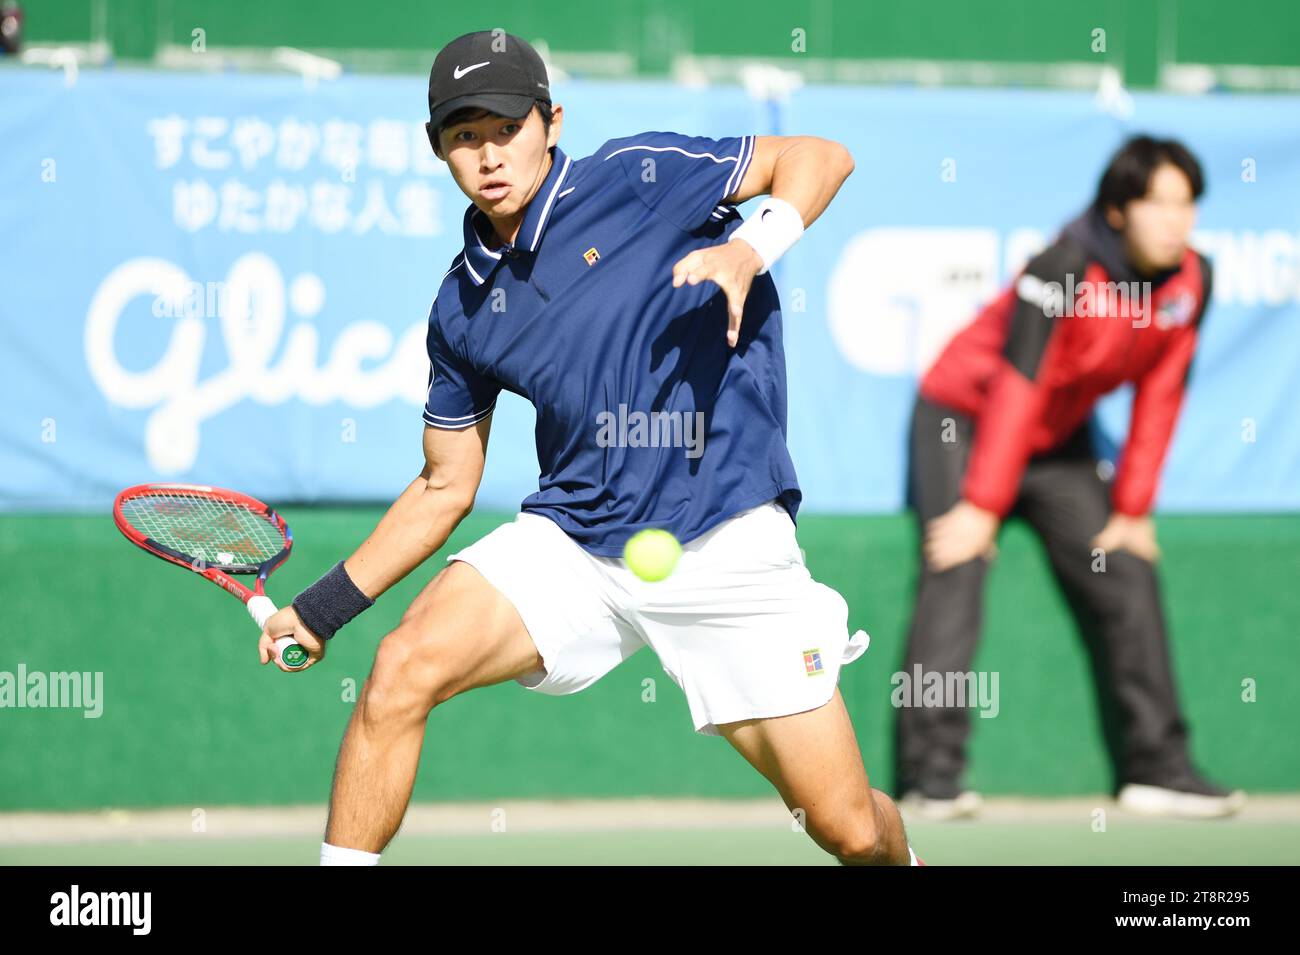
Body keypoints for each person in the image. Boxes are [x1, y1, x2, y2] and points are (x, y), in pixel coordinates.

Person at [261, 30, 924, 866]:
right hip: (575, 540)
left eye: (505, 127)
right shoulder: (461, 309)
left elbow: (821, 157)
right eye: (463, 136)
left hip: (724, 533)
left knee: (850, 829)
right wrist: (321, 610)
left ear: (551, 121)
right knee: (401, 667)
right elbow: (443, 487)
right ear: (438, 152)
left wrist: (748, 249)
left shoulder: (635, 177)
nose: (488, 153)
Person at [895, 134, 1245, 820]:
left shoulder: (1194, 279)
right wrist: (982, 506)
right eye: (1159, 204)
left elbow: (1163, 392)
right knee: (957, 567)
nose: (1178, 221)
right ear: (1118, 211)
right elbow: (1018, 387)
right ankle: (931, 777)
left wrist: (1135, 506)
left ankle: (1158, 768)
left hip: (1060, 442)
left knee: (1127, 565)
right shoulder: (1060, 266)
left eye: (1188, 205)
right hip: (965, 421)